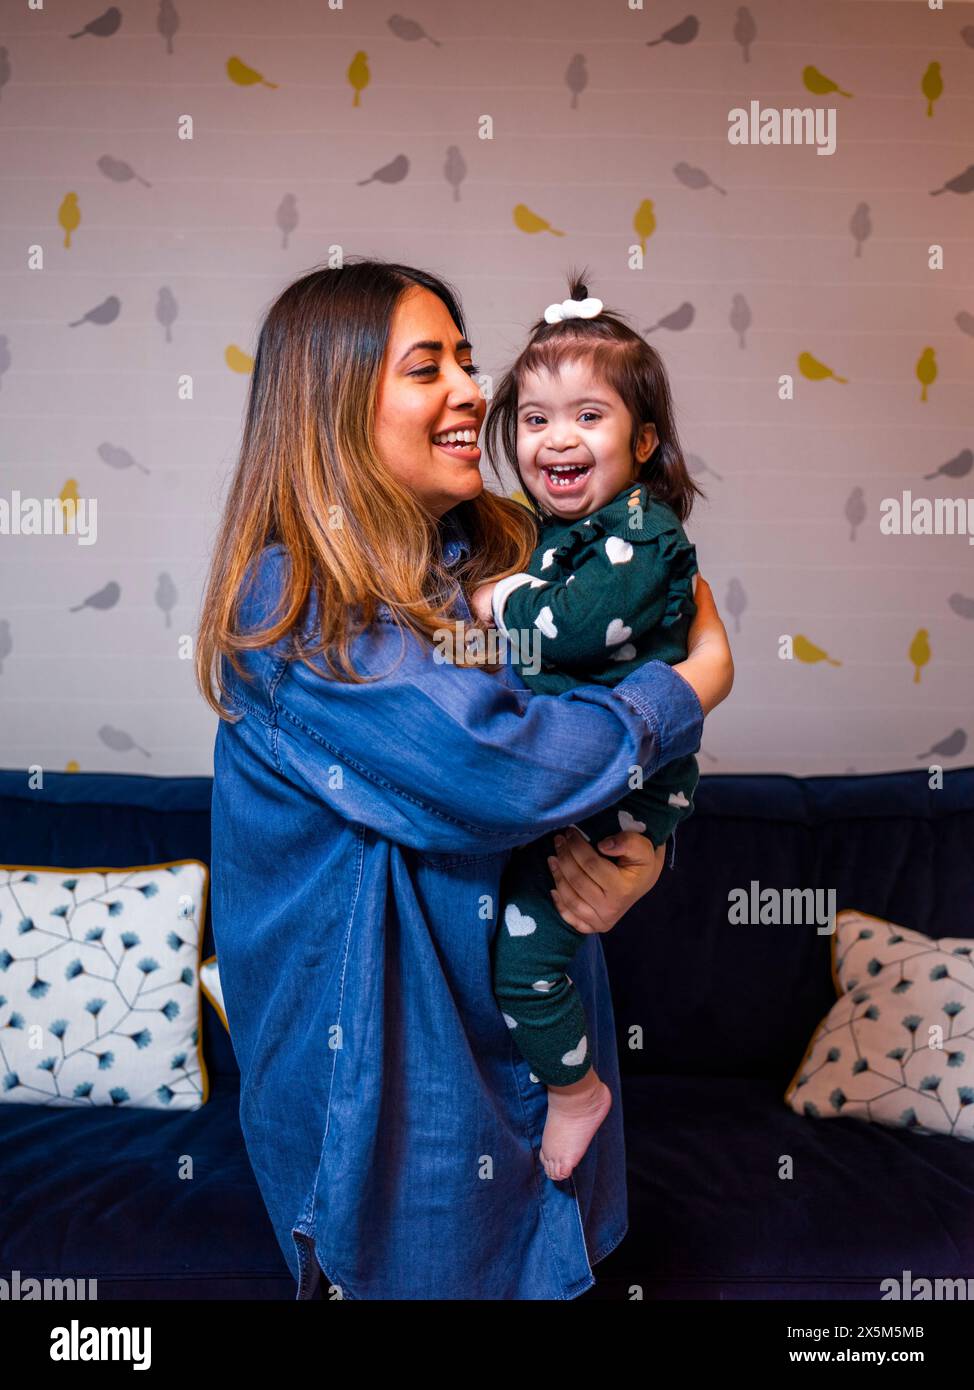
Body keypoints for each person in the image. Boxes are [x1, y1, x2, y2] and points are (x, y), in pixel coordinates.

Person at [195, 257, 734, 1300]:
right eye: (424, 367)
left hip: (533, 1088)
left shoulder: (485, 558)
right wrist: (693, 685)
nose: (469, 393)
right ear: (333, 406)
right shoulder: (295, 606)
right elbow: (502, 768)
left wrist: (637, 860)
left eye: (467, 361)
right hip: (408, 1122)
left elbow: (595, 718)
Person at [468, 272, 704, 1183]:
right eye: (533, 419)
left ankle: (577, 1093)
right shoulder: (545, 531)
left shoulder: (640, 535)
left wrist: (501, 596)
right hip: (581, 776)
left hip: (628, 784)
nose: (557, 438)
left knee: (527, 964)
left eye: (588, 417)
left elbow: (567, 631)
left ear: (643, 442)